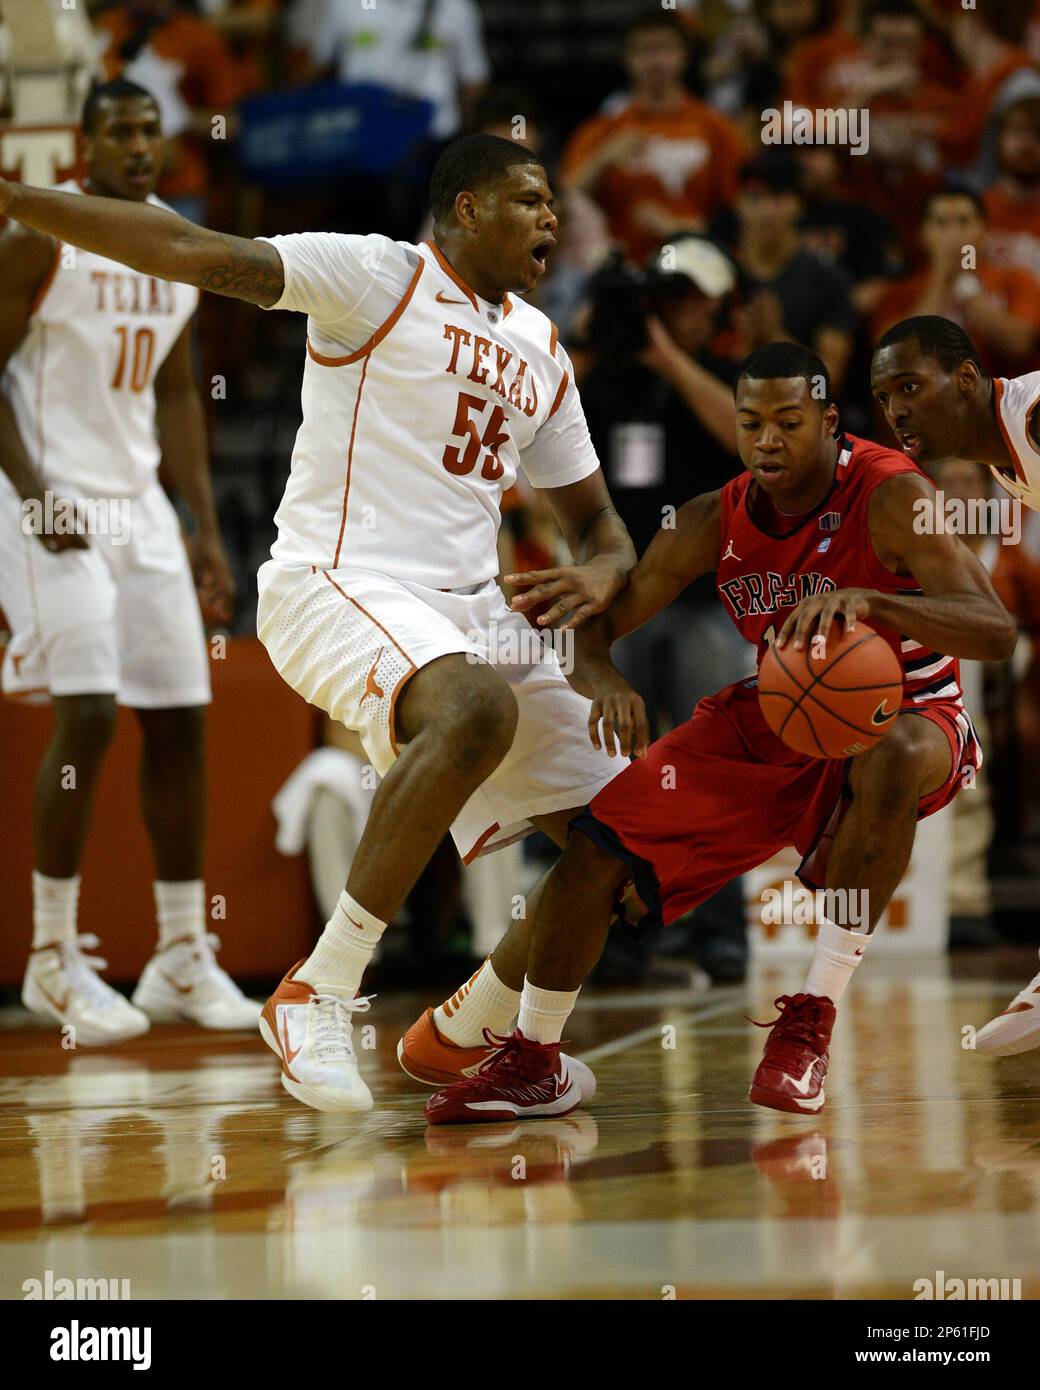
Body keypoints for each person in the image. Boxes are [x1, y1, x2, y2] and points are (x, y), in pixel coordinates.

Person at [0, 131, 636, 1112]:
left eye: (552, 202)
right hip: (336, 581)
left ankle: (486, 1040)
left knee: (624, 838)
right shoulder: (375, 275)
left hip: (466, 613)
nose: (549, 216)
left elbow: (597, 526)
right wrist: (19, 197)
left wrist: (593, 640)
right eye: (526, 197)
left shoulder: (541, 349)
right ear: (463, 208)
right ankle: (316, 991)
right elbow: (187, 252)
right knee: (473, 710)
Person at [422, 341, 1015, 1125]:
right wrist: (604, 680)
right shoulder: (714, 517)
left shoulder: (893, 494)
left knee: (897, 750)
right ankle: (534, 1059)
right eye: (751, 423)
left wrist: (874, 603)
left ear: (831, 423)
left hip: (907, 711)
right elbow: (597, 625)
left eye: (789, 422)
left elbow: (994, 629)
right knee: (600, 846)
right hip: (778, 715)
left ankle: (809, 1020)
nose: (768, 440)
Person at [0, 78, 256, 1044]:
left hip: (141, 504)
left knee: (182, 720)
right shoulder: (43, 237)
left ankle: (182, 956)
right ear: (86, 143)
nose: (141, 144)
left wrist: (203, 525)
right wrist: (33, 492)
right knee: (91, 713)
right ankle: (53, 959)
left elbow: (179, 394)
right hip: (46, 496)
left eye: (152, 129)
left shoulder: (171, 243)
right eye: (121, 130)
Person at [870, 312, 1040, 1053]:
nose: (898, 410)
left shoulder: (1032, 418)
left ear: (967, 378)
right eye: (884, 398)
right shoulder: (1006, 461)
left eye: (911, 386)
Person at [561, 11, 746, 267]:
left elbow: (744, 211)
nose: (655, 61)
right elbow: (559, 204)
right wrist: (602, 158)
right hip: (625, 271)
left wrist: (682, 227)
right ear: (627, 59)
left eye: (665, 49)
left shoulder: (716, 128)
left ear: (685, 55)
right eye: (644, 51)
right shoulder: (602, 131)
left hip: (702, 268)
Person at [871, 186, 1040, 380]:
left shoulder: (1016, 280)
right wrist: (939, 280)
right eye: (942, 223)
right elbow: (893, 359)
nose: (954, 234)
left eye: (964, 221)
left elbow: (1020, 344)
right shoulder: (900, 292)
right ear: (923, 233)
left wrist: (968, 286)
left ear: (984, 229)